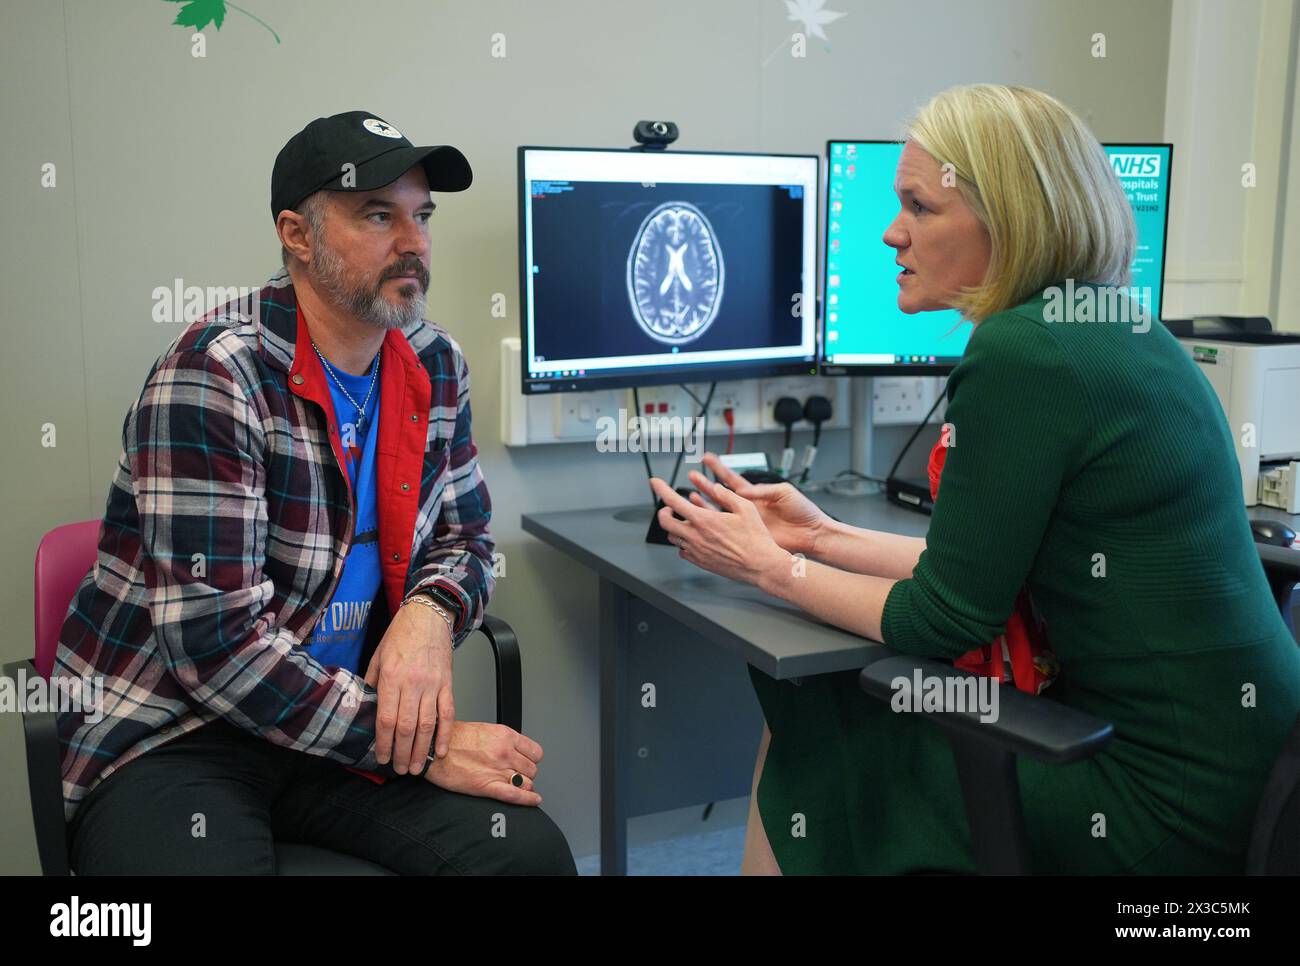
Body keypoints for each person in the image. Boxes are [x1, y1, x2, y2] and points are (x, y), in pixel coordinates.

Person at [650, 84, 1300, 874]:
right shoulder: (1115, 325)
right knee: (814, 711)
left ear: (1010, 219)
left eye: (921, 207)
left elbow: (942, 620)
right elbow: (984, 576)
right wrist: (817, 535)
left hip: (1157, 800)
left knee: (812, 715)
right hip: (1250, 773)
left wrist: (764, 565)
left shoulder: (1024, 354)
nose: (893, 234)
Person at [56, 110, 576, 875]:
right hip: (180, 733)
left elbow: (466, 540)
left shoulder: (434, 363)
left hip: (336, 718)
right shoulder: (214, 376)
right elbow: (214, 648)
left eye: (422, 216)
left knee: (526, 857)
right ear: (297, 236)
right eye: (378, 215)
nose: (416, 243)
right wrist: (419, 741)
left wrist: (429, 617)